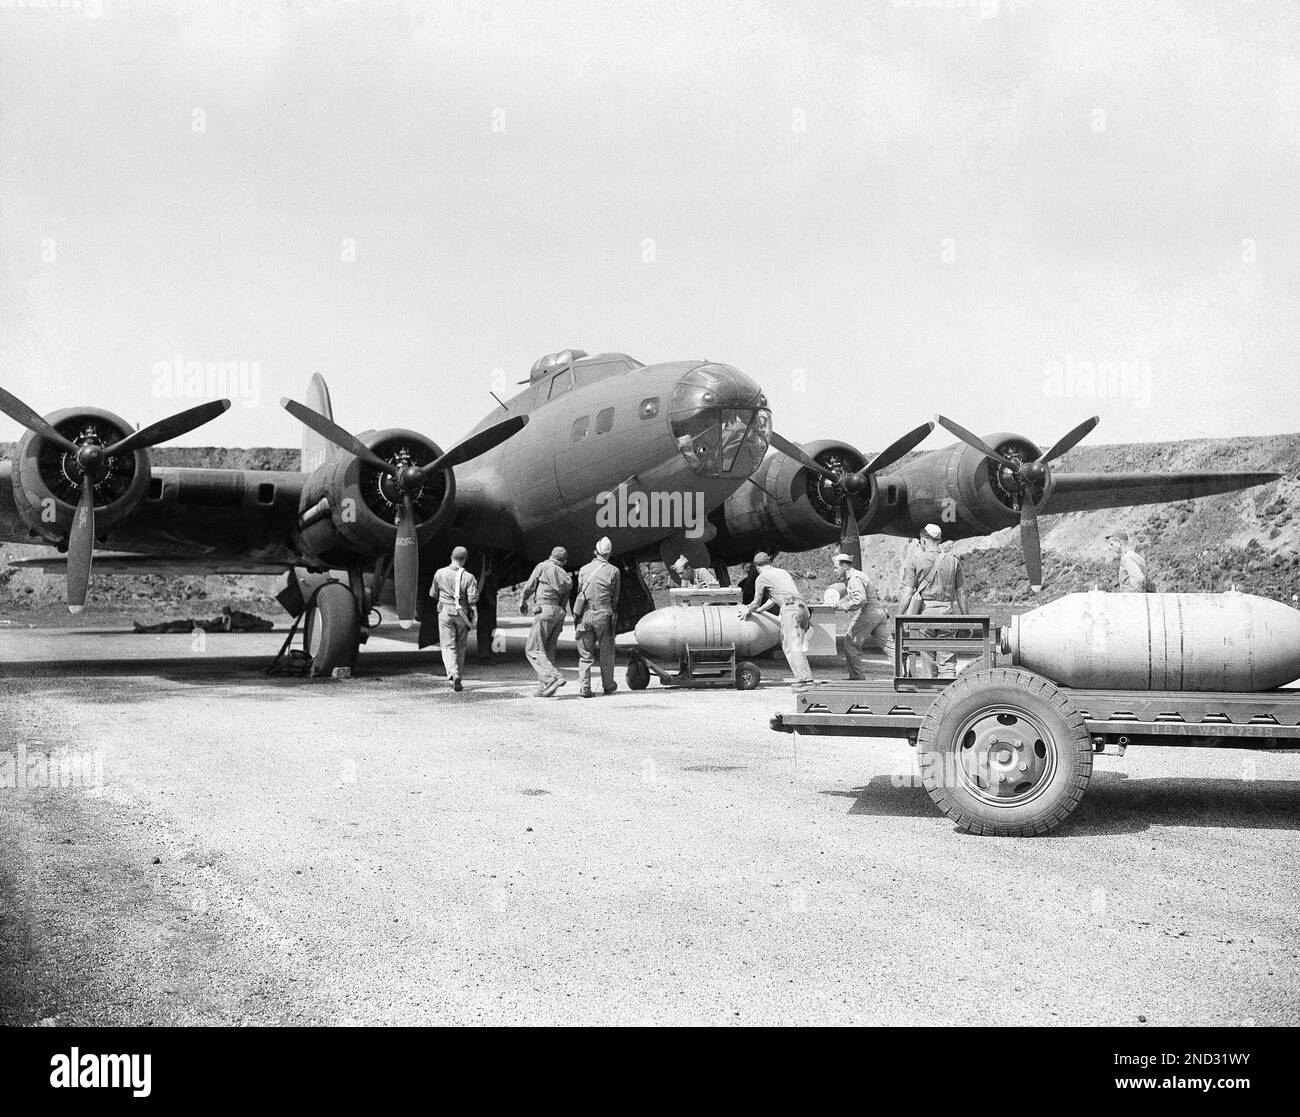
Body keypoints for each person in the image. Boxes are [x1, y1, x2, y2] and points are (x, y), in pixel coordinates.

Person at [897, 524, 968, 678]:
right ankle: (949, 697)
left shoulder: (915, 560)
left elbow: (908, 592)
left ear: (923, 541)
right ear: (939, 540)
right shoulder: (953, 561)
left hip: (925, 614)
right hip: (947, 612)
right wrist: (966, 618)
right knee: (947, 662)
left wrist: (900, 616)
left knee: (927, 660)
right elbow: (961, 593)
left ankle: (930, 694)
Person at [739, 552, 814, 690]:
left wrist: (748, 610)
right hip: (803, 609)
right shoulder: (782, 572)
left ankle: (805, 681)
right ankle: (806, 678)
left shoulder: (761, 577)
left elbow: (754, 603)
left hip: (790, 610)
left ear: (756, 567)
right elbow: (775, 598)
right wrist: (761, 610)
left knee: (791, 647)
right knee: (798, 647)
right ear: (770, 562)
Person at [519, 545, 572, 698]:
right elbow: (564, 600)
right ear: (565, 561)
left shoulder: (542, 566)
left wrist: (523, 601)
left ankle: (552, 677)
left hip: (544, 610)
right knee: (548, 651)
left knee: (533, 649)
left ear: (550, 556)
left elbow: (529, 586)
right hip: (559, 612)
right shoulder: (566, 576)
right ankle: (544, 688)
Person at [574, 537, 622, 698]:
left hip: (586, 615)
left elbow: (580, 591)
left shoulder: (583, 569)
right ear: (610, 553)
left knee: (585, 654)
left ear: (596, 551)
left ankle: (585, 688)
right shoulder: (614, 571)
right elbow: (615, 597)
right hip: (604, 615)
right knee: (606, 652)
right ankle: (608, 685)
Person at [832, 552, 892, 679]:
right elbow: (852, 596)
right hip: (879, 612)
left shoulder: (854, 579)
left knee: (850, 644)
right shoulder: (856, 576)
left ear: (845, 567)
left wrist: (843, 606)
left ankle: (856, 677)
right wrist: (841, 601)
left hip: (868, 612)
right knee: (890, 646)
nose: (834, 571)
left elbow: (860, 599)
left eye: (836, 567)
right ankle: (907, 673)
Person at [430, 546, 478, 691]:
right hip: (462, 614)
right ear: (464, 560)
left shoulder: (440, 573)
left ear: (451, 557)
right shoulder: (469, 577)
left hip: (445, 612)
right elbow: (472, 599)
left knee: (447, 646)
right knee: (460, 646)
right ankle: (459, 676)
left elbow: (433, 593)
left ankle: (453, 674)